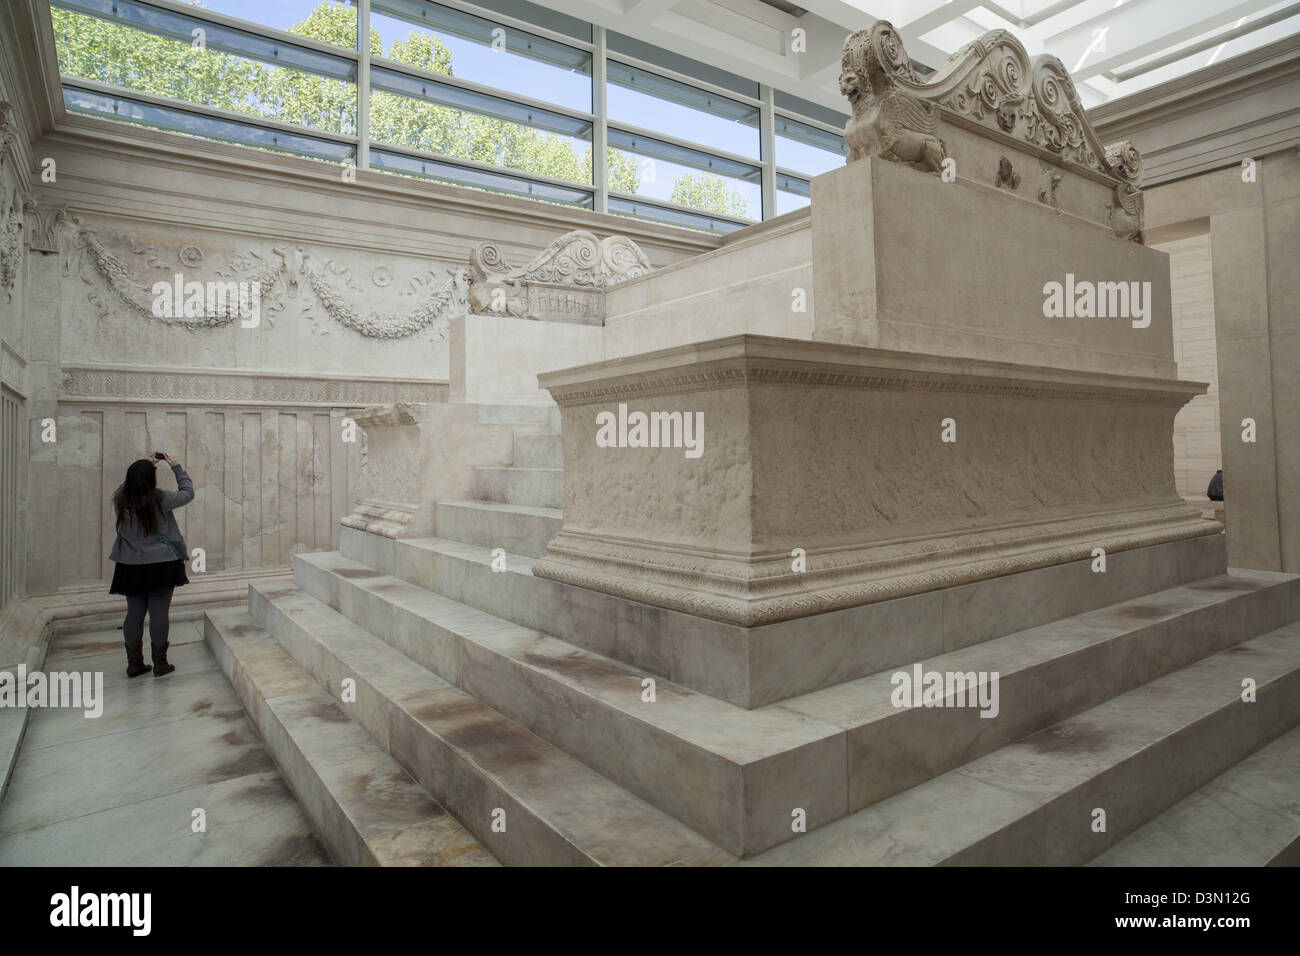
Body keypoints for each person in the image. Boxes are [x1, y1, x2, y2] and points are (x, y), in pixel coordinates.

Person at [108, 452, 194, 678]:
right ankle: (160, 664)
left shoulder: (120, 498)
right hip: (161, 563)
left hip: (130, 564)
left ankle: (134, 664)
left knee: (134, 613)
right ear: (151, 480)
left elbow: (125, 486)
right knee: (159, 612)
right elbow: (188, 493)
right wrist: (176, 467)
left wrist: (145, 465)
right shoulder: (161, 498)